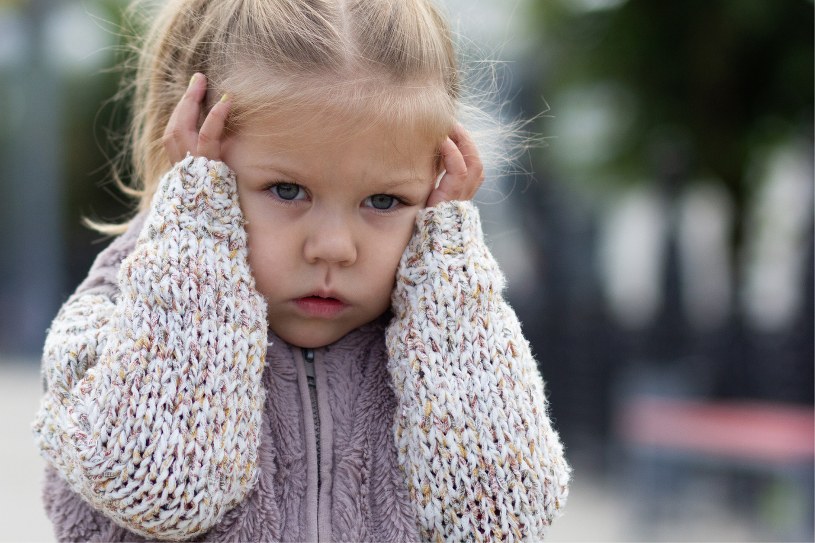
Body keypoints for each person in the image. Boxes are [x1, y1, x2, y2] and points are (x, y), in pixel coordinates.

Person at [31, 0, 571, 541]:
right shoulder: (109, 322)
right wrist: (197, 235)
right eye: (287, 190)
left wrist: (446, 272)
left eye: (385, 201)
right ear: (194, 154)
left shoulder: (447, 337)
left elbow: (501, 520)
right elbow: (162, 491)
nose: (334, 248)